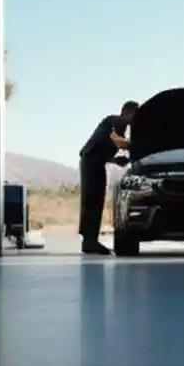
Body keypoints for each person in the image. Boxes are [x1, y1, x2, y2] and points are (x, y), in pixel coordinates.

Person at [78, 100, 138, 255]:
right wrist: (136, 146)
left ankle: (90, 239)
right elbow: (116, 140)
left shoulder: (118, 125)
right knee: (92, 198)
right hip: (91, 160)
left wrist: (115, 160)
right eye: (135, 115)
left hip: (95, 161)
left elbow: (107, 146)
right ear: (128, 113)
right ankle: (89, 241)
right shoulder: (115, 122)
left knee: (96, 198)